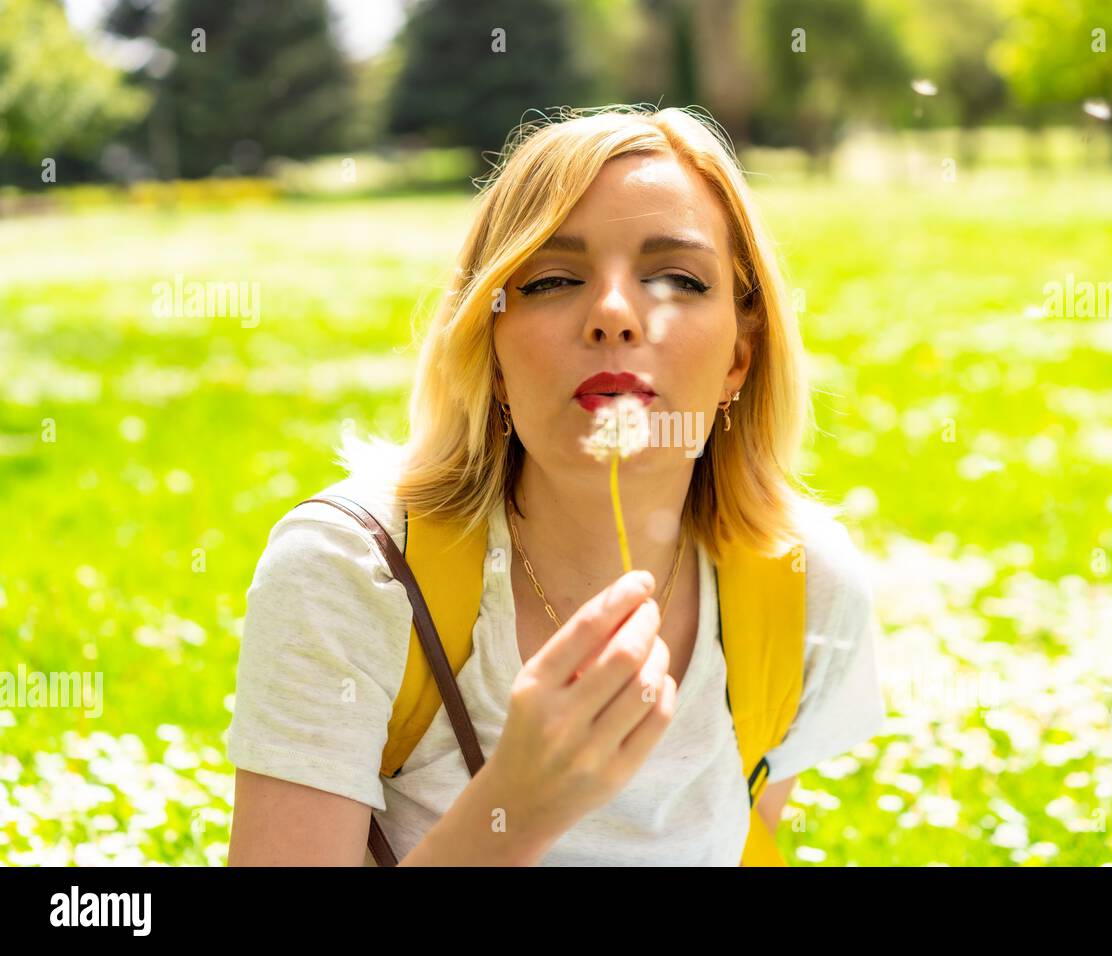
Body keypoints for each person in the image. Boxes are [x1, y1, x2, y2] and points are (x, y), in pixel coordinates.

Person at [225, 104, 885, 866]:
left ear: (740, 355)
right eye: (553, 280)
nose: (613, 314)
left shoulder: (803, 589)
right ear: (491, 344)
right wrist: (517, 805)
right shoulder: (355, 573)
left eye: (675, 277)